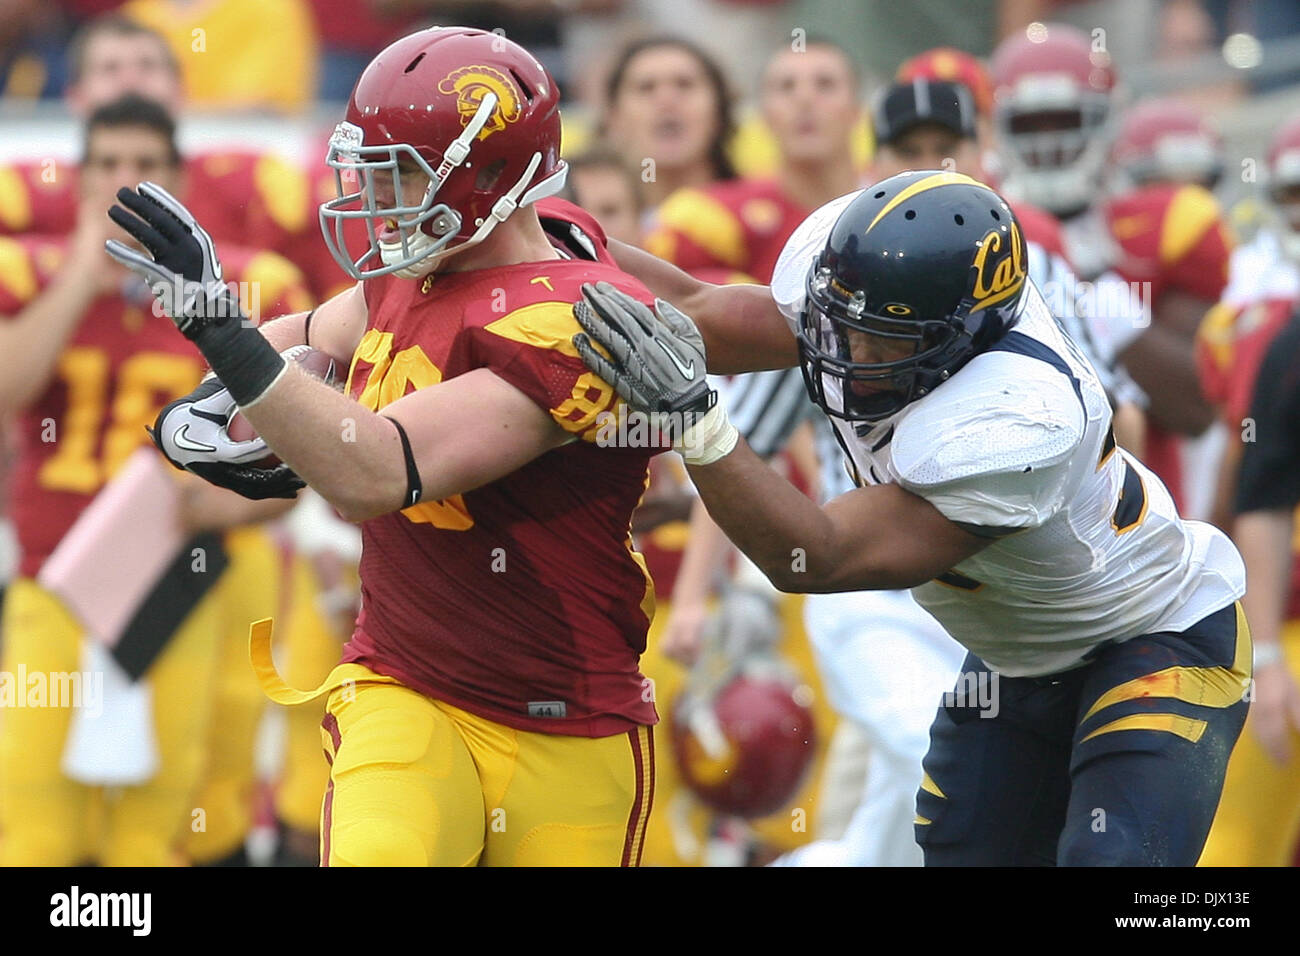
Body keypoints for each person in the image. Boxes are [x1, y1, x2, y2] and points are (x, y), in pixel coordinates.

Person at [570, 169, 1250, 866]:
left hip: (1153, 638)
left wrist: (697, 424)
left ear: (967, 341)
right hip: (1018, 657)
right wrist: (551, 234)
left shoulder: (1019, 416)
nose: (854, 357)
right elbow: (698, 308)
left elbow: (817, 554)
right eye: (846, 327)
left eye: (888, 343)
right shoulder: (871, 288)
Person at [108, 26, 661, 867]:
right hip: (405, 683)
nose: (372, 190)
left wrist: (217, 326)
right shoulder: (410, 268)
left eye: (397, 167)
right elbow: (305, 338)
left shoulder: (574, 318)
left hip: (566, 713)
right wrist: (208, 410)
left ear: (486, 173)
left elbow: (375, 470)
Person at [0, 94, 306, 866]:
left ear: (179, 181)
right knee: (34, 830)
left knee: (159, 827)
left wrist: (226, 506)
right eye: (107, 165)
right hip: (53, 579)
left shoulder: (235, 292)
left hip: (180, 579)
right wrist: (79, 276)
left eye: (145, 167)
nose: (124, 181)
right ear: (78, 181)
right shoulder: (29, 270)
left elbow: (302, 454)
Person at [991, 22, 1232, 518]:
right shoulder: (974, 227)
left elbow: (1194, 407)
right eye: (1031, 124)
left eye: (1064, 120)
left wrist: (1095, 282)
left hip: (1142, 521)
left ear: (1106, 120)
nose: (1049, 142)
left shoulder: (1163, 227)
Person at [1195, 114, 1300, 867]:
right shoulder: (1273, 332)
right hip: (1290, 625)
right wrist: (1265, 657)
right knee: (1234, 855)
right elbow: (1257, 502)